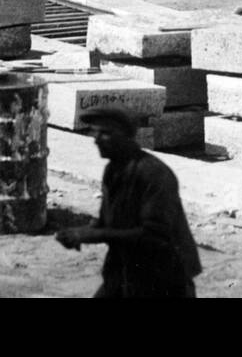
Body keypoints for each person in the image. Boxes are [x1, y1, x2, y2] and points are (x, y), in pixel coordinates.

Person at [56, 105, 201, 298]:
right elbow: (106, 223)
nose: (96, 140)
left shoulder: (154, 173)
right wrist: (79, 233)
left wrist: (89, 235)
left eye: (105, 133)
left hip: (163, 277)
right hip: (125, 268)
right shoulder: (113, 171)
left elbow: (154, 235)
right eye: (95, 133)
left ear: (126, 136)